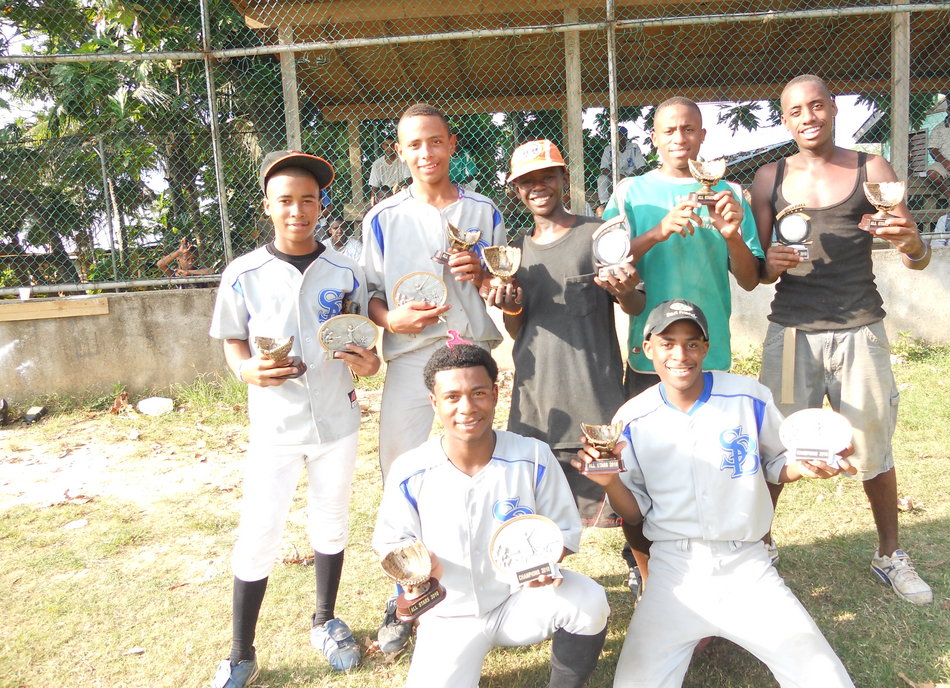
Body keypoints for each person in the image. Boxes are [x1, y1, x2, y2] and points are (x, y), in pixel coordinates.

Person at [576, 299, 855, 688]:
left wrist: (804, 466)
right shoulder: (632, 418)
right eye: (668, 343)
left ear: (706, 348)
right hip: (675, 571)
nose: (681, 354)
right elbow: (635, 512)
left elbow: (778, 461)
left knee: (825, 677)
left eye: (692, 343)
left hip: (747, 566)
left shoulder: (747, 396)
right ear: (647, 348)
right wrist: (610, 483)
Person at [749, 74, 934, 605]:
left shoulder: (870, 169)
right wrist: (771, 263)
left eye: (816, 106)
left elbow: (916, 256)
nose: (807, 117)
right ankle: (759, 550)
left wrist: (912, 241)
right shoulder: (769, 177)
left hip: (859, 331)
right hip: (792, 335)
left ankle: (889, 554)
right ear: (784, 120)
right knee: (776, 445)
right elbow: (758, 271)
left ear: (833, 108)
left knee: (873, 446)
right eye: (795, 111)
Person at [207, 150, 382, 687]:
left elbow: (361, 338)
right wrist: (246, 369)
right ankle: (241, 652)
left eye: (308, 199)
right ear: (267, 206)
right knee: (260, 529)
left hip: (337, 419)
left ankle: (325, 621)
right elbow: (233, 338)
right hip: (275, 426)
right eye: (285, 200)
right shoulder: (244, 273)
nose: (297, 211)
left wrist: (370, 362)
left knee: (331, 518)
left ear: (321, 204)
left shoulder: (345, 270)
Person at [373, 340, 610, 688]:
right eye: (452, 397)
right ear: (434, 402)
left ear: (496, 394)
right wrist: (418, 573)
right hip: (448, 615)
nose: (467, 407)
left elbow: (562, 530)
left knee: (588, 600)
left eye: (479, 393)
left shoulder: (532, 456)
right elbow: (393, 542)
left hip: (520, 598)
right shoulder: (411, 470)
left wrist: (543, 564)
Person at [602, 96, 763, 594]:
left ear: (703, 136)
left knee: (716, 460)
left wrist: (732, 235)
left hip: (708, 352)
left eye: (689, 129)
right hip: (650, 354)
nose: (679, 138)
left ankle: (723, 549)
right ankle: (641, 560)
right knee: (644, 466)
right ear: (653, 137)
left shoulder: (730, 192)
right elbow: (607, 260)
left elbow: (751, 277)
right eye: (669, 130)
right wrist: (658, 231)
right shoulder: (631, 192)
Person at [360, 103, 506, 652]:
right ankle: (407, 590)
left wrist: (483, 274)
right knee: (399, 469)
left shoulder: (483, 210)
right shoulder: (383, 217)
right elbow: (370, 294)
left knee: (476, 466)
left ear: (452, 144)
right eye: (415, 144)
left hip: (468, 352)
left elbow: (501, 280)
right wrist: (389, 319)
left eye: (436, 141)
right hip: (410, 357)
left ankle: (484, 578)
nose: (426, 153)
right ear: (399, 152)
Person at [483, 139, 645, 528]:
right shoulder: (515, 252)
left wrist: (625, 290)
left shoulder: (597, 236)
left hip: (595, 403)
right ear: (516, 189)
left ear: (564, 179)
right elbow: (517, 328)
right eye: (527, 181)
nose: (538, 187)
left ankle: (641, 561)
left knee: (625, 514)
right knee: (540, 520)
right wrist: (511, 307)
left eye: (547, 177)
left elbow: (636, 305)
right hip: (538, 407)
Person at [598, 125, 646, 204]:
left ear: (625, 137)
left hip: (631, 178)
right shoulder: (608, 149)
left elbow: (641, 167)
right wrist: (617, 176)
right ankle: (604, 203)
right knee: (602, 178)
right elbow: (603, 168)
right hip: (613, 179)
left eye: (618, 135)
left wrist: (628, 178)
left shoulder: (633, 147)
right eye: (612, 135)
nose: (614, 138)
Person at [369, 137, 411, 202]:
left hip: (398, 189)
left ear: (396, 146)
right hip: (384, 190)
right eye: (387, 145)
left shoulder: (403, 160)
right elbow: (374, 186)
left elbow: (409, 178)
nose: (389, 148)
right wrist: (372, 201)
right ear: (383, 146)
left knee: (404, 188)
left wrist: (398, 184)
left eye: (392, 145)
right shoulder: (377, 164)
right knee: (383, 193)